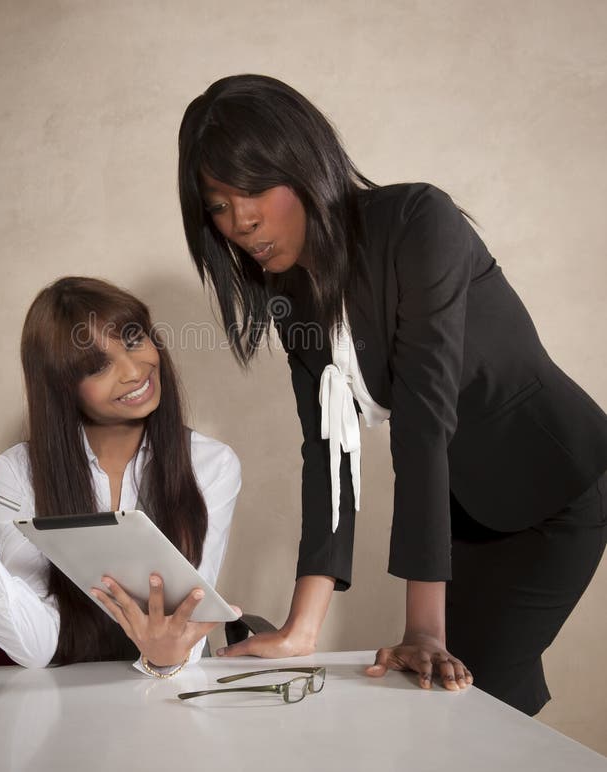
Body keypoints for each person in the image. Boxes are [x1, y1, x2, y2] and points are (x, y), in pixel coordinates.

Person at [177, 73, 607, 714]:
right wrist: (302, 628)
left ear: (305, 165)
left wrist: (425, 629)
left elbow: (426, 420)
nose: (240, 220)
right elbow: (327, 453)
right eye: (217, 205)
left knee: (474, 694)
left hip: (555, 487)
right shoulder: (290, 293)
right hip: (465, 505)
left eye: (256, 188)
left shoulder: (416, 222)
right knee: (472, 698)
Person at [0, 276, 241, 675]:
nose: (134, 371)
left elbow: (188, 625)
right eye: (97, 366)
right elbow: (36, 646)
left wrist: (165, 659)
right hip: (61, 702)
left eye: (134, 340)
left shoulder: (212, 464)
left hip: (176, 694)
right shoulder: (18, 469)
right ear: (62, 387)